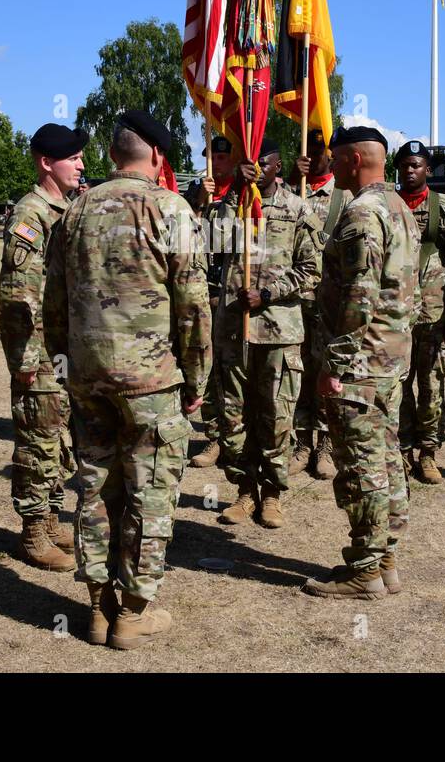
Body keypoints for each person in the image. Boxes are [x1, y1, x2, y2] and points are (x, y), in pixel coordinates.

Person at [44, 110, 210, 650]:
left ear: (115, 155)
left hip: (88, 378)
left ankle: (98, 608)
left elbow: (54, 303)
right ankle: (133, 614)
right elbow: (193, 307)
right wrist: (198, 378)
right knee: (151, 493)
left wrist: (67, 361)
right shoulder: (171, 209)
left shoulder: (74, 211)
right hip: (151, 380)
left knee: (94, 488)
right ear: (158, 156)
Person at [302, 126, 418, 601]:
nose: (330, 165)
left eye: (335, 158)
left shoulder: (362, 215)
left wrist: (336, 363)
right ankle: (384, 558)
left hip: (362, 365)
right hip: (389, 360)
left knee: (362, 467)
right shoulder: (399, 208)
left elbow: (358, 295)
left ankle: (365, 570)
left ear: (351, 160)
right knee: (387, 460)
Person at [210, 137, 320, 529]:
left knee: (276, 415)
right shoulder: (233, 205)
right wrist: (233, 194)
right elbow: (212, 244)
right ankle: (243, 491)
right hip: (234, 329)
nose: (257, 168)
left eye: (265, 163)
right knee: (234, 416)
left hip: (278, 329)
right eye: (250, 163)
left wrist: (269, 293)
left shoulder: (298, 208)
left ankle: (272, 494)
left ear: (278, 166)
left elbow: (312, 268)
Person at [0, 123, 88, 572]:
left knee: (58, 440)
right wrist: (25, 359)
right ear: (45, 162)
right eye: (72, 158)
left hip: (65, 349)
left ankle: (52, 516)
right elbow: (19, 294)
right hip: (41, 351)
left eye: (80, 157)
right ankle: (33, 531)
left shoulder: (67, 208)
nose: (81, 164)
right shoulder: (31, 214)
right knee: (38, 440)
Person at [392, 140, 445, 484]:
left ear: (427, 170)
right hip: (394, 315)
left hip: (433, 316)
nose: (410, 170)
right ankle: (403, 449)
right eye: (405, 165)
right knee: (399, 384)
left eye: (416, 165)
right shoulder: (388, 206)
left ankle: (428, 453)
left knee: (432, 385)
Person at [290, 126, 352, 480]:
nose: (314, 157)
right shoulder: (290, 192)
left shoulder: (343, 197)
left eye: (321, 152)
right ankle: (302, 442)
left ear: (331, 155)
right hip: (296, 299)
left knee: (328, 371)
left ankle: (326, 445)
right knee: (299, 372)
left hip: (328, 300)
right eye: (309, 152)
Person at [184, 133, 239, 469]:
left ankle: (236, 436)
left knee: (234, 371)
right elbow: (179, 238)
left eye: (222, 158)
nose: (216, 164)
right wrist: (199, 205)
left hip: (232, 294)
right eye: (211, 157)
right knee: (207, 367)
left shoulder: (244, 194)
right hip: (200, 292)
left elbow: (242, 241)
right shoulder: (194, 192)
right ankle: (214, 437)